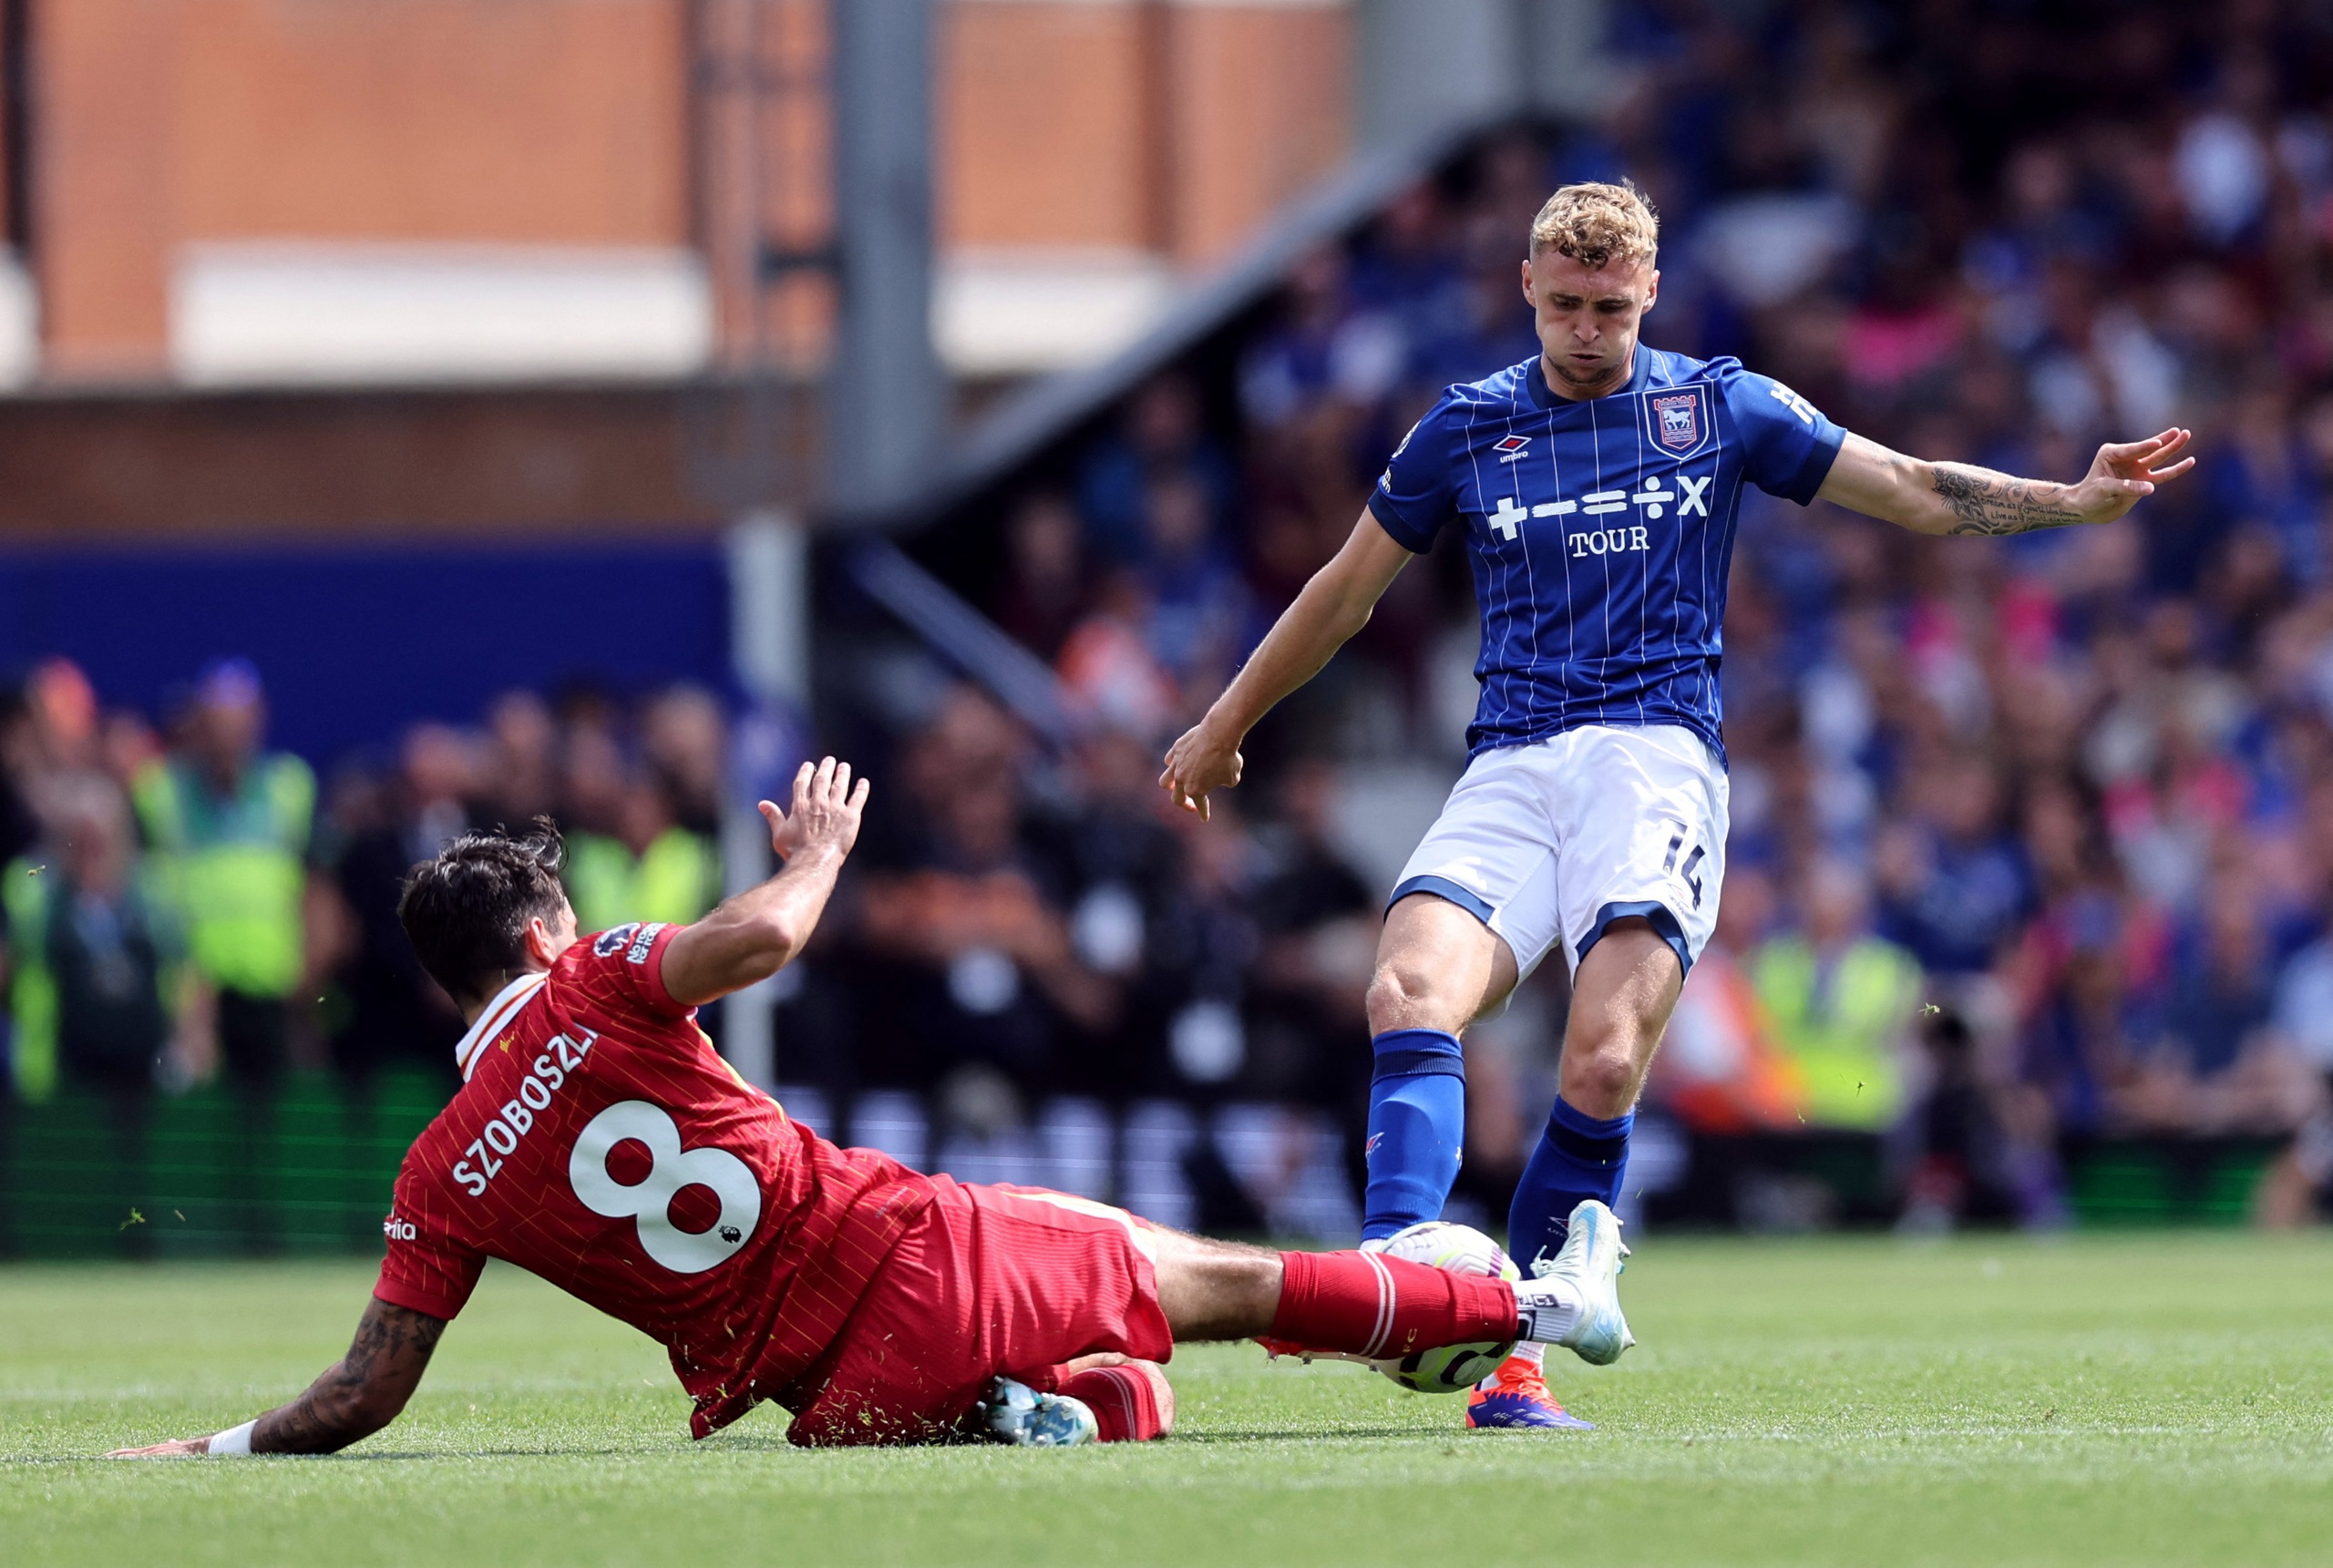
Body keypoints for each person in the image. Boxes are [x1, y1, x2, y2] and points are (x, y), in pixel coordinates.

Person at [1158, 179, 2196, 1430]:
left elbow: (1916, 487)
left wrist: (2066, 499)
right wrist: (1224, 725)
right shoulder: (1468, 428)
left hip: (1652, 757)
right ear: (1527, 294)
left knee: (1600, 1054)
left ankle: (1514, 1365)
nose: (1586, 329)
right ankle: (1403, 1281)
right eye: (1563, 306)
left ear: (1649, 292)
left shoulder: (1717, 406)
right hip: (1510, 764)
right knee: (1406, 991)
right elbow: (1342, 593)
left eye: (1609, 305)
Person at [107, 757, 1628, 1458]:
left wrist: (215, 1449)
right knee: (1205, 1274)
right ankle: (1510, 1307)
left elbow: (369, 1387)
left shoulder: (440, 1166)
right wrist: (822, 847)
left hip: (834, 1406)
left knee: (1123, 1381)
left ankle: (1057, 1416)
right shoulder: (600, 982)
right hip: (906, 1254)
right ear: (540, 935)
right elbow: (762, 937)